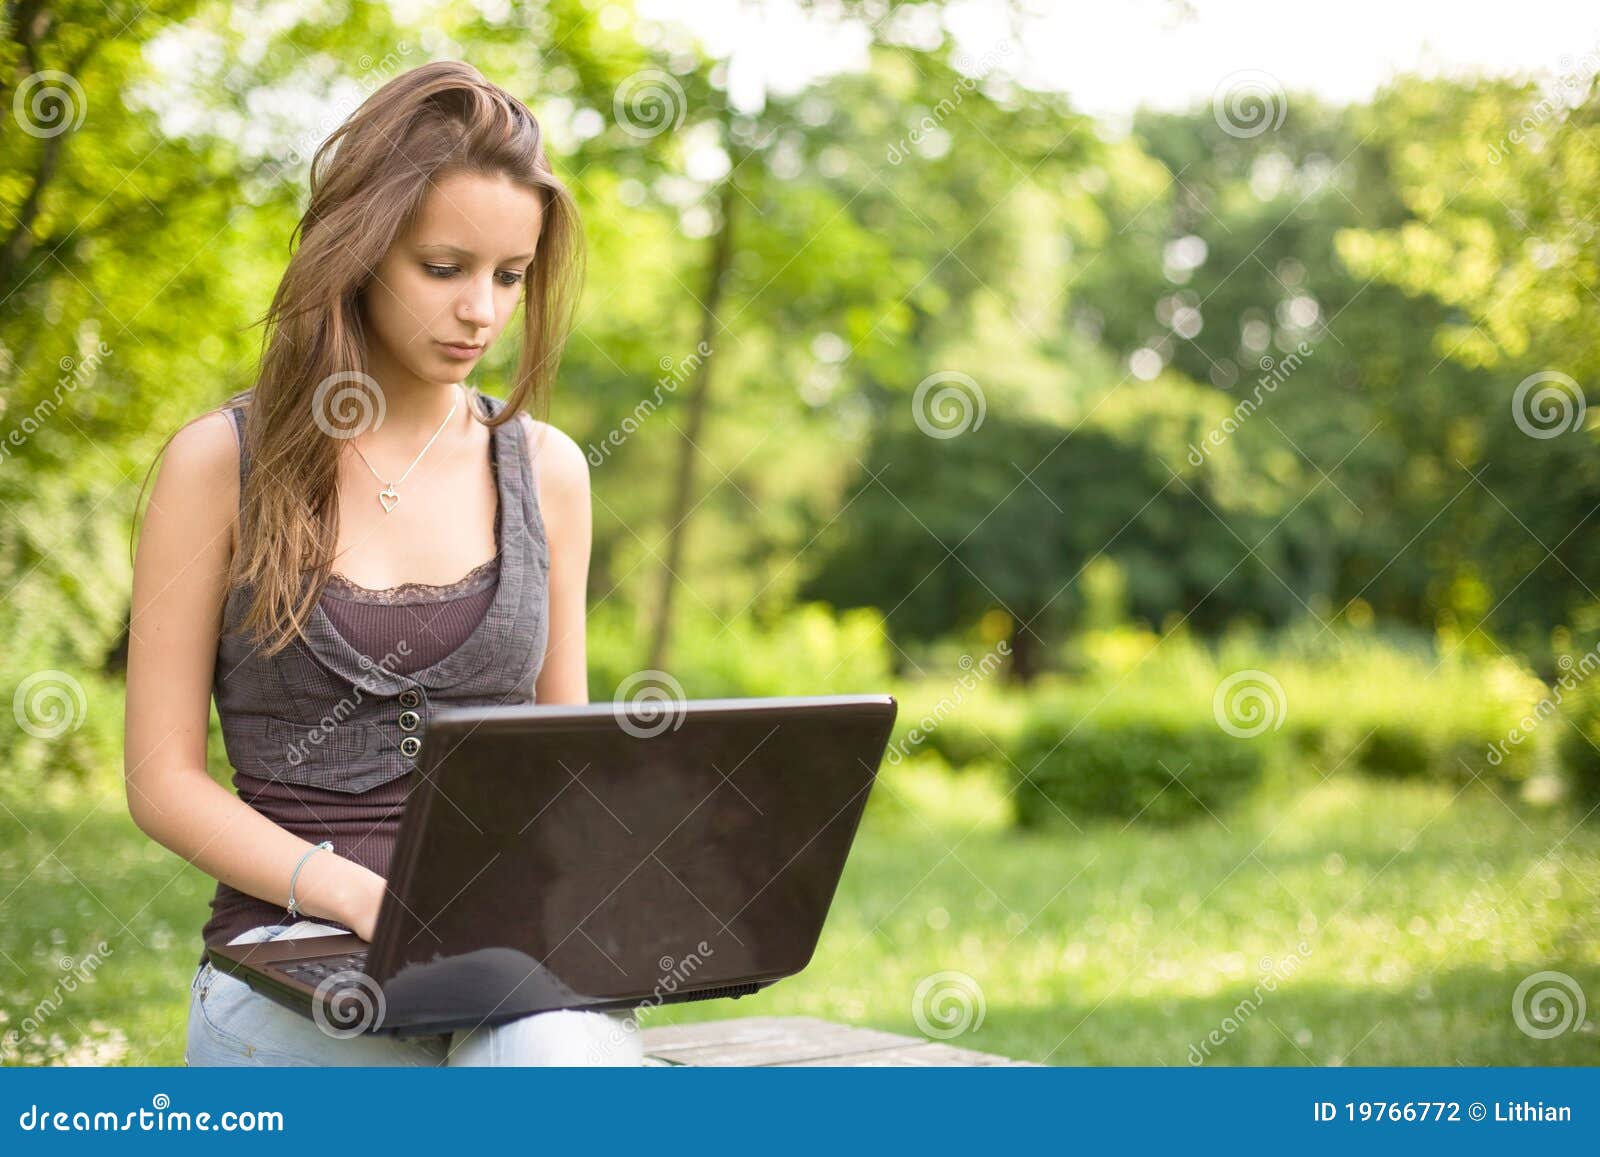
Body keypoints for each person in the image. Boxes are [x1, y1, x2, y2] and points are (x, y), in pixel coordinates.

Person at [123, 59, 642, 1066]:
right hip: (288, 953)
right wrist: (360, 894)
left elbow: (557, 763)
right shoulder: (218, 465)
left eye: (509, 276)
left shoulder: (549, 471)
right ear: (358, 253)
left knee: (547, 1057)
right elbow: (160, 779)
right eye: (443, 268)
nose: (481, 311)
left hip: (501, 958)